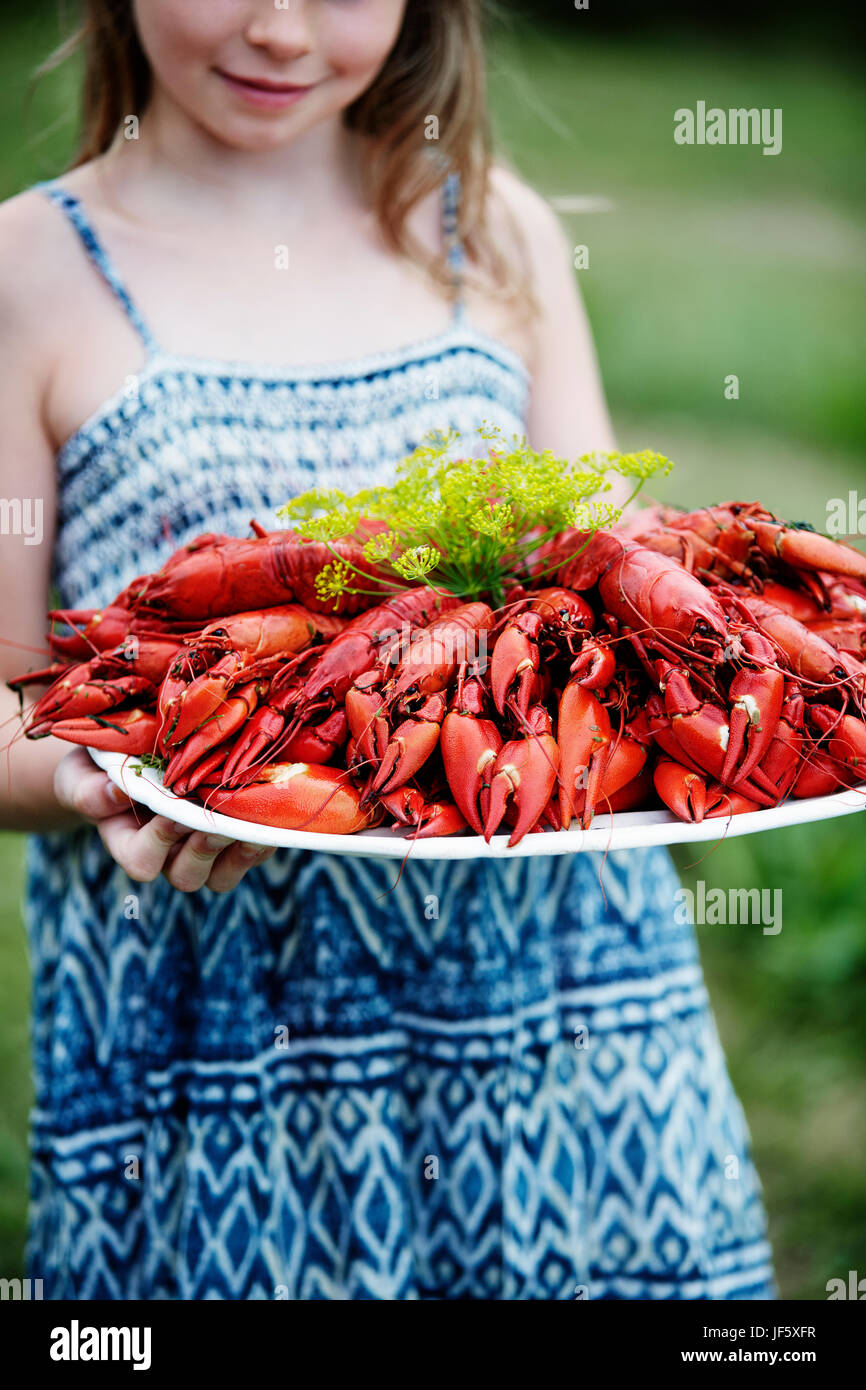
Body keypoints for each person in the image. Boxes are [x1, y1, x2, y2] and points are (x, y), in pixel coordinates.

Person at [0, 0, 775, 1299]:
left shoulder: (494, 227)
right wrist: (97, 779)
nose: (281, 31)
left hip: (559, 1003)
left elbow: (606, 572)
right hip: (225, 1037)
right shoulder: (29, 269)